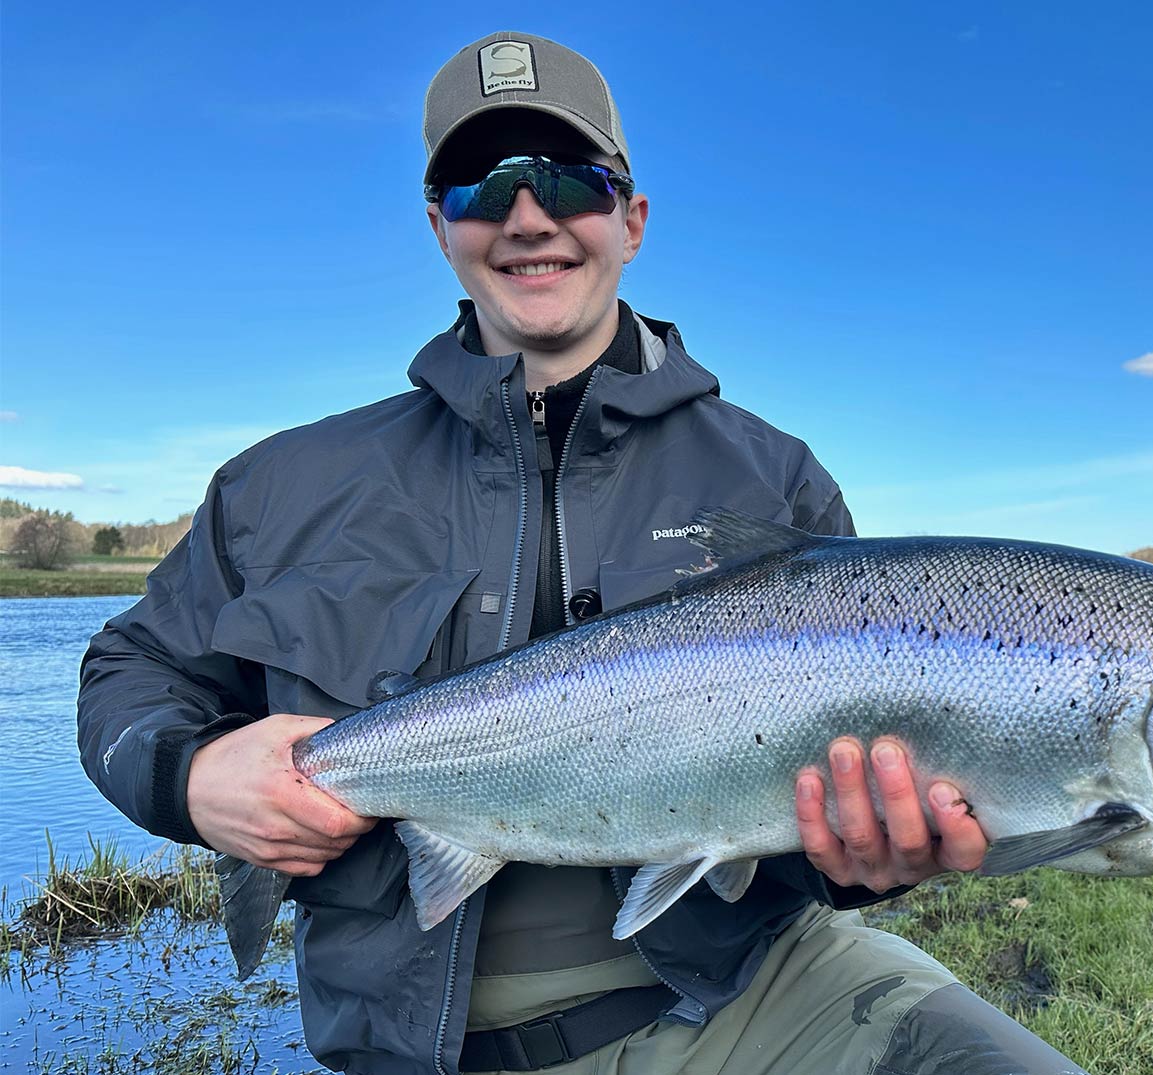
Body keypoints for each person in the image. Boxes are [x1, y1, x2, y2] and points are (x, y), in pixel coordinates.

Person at [77, 31, 1089, 1075]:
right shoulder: (282, 483)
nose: (528, 215)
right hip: (418, 1050)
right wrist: (190, 776)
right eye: (483, 186)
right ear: (440, 227)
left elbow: (829, 832)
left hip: (757, 999)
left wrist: (867, 864)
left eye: (571, 179)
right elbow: (126, 670)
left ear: (632, 220)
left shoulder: (773, 478)